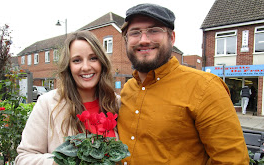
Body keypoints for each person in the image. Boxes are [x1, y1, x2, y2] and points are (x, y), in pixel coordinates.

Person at [117, 3, 249, 164]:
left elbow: (231, 160)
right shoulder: (127, 89)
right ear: (126, 40)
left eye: (154, 30)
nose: (143, 40)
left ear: (171, 38)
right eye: (135, 32)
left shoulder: (205, 87)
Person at [15, 31, 120, 165]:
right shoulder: (48, 104)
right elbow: (23, 158)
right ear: (68, 66)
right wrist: (58, 162)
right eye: (77, 60)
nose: (86, 67)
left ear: (102, 62)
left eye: (93, 58)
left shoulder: (116, 103)